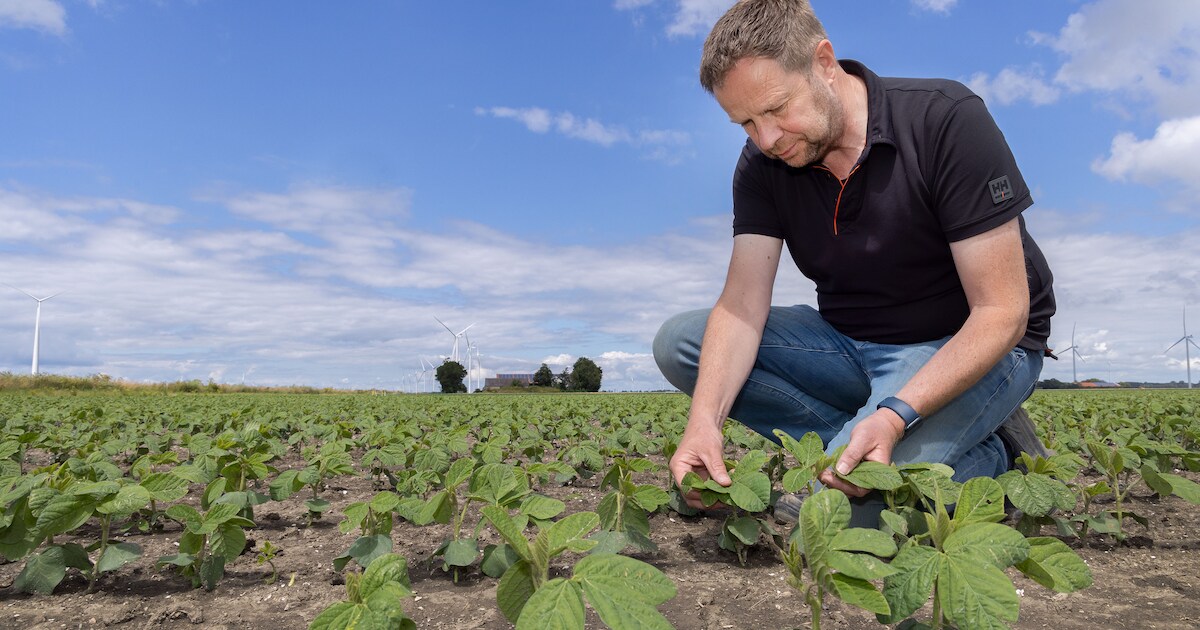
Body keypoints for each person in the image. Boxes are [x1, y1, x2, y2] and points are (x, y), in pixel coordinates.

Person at [653, 0, 1055, 527]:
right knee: (683, 342)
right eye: (745, 123)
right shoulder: (763, 164)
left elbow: (1002, 310)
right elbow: (743, 303)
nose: (766, 139)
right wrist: (703, 422)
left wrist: (896, 414)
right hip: (850, 344)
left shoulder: (944, 118)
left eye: (776, 109)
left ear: (824, 63)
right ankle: (922, 441)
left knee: (837, 515)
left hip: (967, 342)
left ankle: (998, 459)